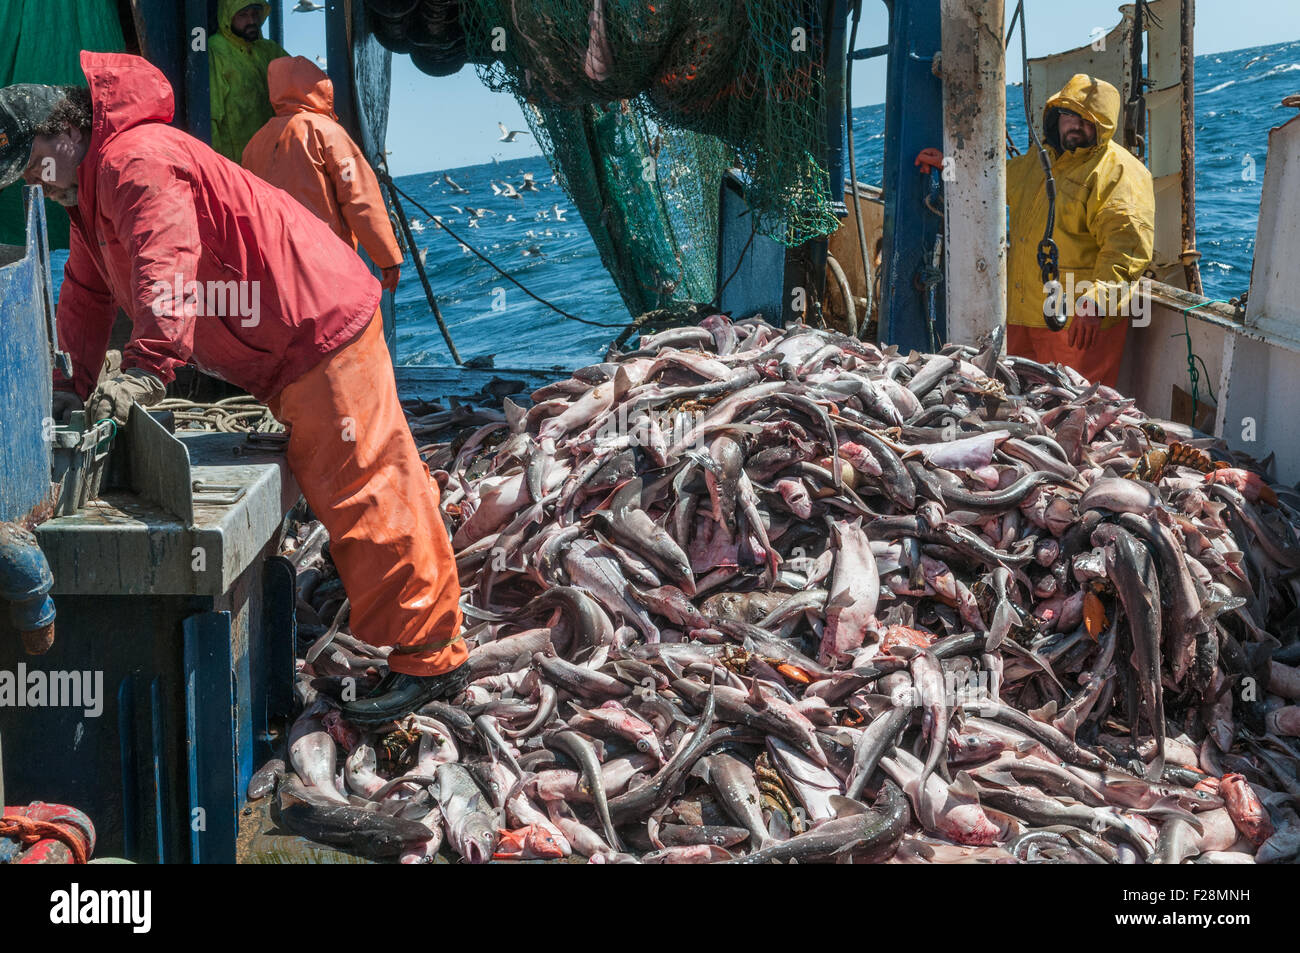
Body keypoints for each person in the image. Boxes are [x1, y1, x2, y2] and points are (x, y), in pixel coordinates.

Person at [0, 51, 465, 725]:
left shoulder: (134, 161)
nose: (33, 184)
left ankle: (433, 660)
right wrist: (69, 384)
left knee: (364, 483)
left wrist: (145, 370)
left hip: (315, 323)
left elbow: (167, 257)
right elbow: (88, 289)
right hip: (283, 345)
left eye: (31, 165)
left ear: (61, 130)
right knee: (353, 477)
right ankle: (415, 636)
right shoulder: (92, 190)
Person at [1006, 73, 1155, 388]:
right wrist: (950, 166)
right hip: (1022, 319)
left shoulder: (1119, 171)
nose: (1076, 125)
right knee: (1020, 410)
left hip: (1078, 323)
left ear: (1104, 127)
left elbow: (1126, 247)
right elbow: (991, 182)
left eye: (1089, 120)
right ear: (1056, 117)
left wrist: (1097, 302)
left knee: (1077, 413)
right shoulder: (1038, 162)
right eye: (1069, 115)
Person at [242, 56, 402, 293]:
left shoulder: (253, 145)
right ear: (318, 85)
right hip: (326, 265)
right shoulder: (326, 132)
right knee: (359, 328)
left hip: (277, 272)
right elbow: (360, 199)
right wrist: (387, 258)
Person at [208, 0, 288, 162]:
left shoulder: (270, 50)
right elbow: (211, 116)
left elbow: (300, 88)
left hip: (272, 162)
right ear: (228, 17)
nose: (251, 21)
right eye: (243, 15)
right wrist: (213, 165)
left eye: (254, 14)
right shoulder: (215, 50)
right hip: (235, 166)